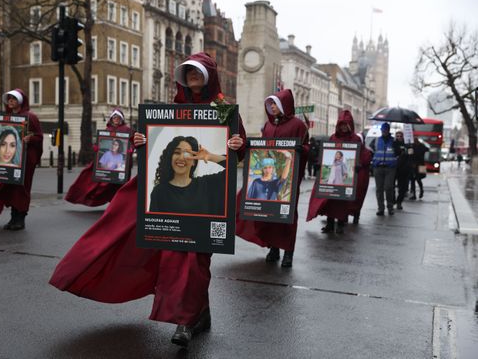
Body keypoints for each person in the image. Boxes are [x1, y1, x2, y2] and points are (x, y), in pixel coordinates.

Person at [49, 52, 246, 347]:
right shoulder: (172, 110)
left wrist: (237, 144)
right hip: (170, 200)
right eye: (188, 72)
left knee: (196, 259)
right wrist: (141, 141)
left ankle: (193, 315)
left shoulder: (223, 109)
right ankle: (188, 318)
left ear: (208, 75)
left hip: (206, 202)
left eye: (198, 72)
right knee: (179, 258)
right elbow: (154, 149)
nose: (193, 77)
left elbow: (237, 151)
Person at [236, 88, 308, 268]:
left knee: (287, 216)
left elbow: (307, 148)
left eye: (276, 103)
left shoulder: (298, 125)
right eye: (271, 104)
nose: (272, 107)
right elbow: (262, 148)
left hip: (286, 178)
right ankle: (274, 248)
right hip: (268, 176)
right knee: (268, 214)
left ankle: (288, 252)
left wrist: (301, 150)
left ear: (285, 105)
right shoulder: (267, 126)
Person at [0, 89, 43, 230]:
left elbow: (39, 137)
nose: (11, 101)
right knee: (11, 189)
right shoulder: (5, 117)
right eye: (9, 98)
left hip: (25, 160)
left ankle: (20, 219)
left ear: (20, 100)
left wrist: (30, 138)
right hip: (11, 162)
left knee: (22, 189)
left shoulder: (30, 117)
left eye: (14, 98)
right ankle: (13, 218)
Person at [307, 110, 372, 233]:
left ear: (349, 125)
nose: (343, 127)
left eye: (345, 124)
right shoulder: (333, 137)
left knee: (343, 202)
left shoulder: (355, 139)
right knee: (330, 200)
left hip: (345, 176)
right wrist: (320, 163)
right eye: (341, 124)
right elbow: (327, 154)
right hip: (333, 175)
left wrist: (359, 164)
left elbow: (363, 155)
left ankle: (341, 224)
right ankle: (330, 224)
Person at [65, 108, 133, 206]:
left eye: (118, 118)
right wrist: (96, 147)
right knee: (101, 183)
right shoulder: (107, 130)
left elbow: (133, 142)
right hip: (108, 162)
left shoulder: (127, 130)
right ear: (111, 119)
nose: (116, 120)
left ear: (121, 119)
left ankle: (119, 204)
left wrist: (131, 149)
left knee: (120, 186)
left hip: (123, 163)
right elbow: (100, 143)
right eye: (114, 118)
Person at [149, 135, 228, 215]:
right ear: (170, 157)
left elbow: (232, 168)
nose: (181, 157)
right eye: (177, 152)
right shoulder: (159, 191)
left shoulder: (206, 184)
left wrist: (210, 156)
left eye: (187, 154)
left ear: (194, 161)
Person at [370, 122, 402, 216]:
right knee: (379, 189)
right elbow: (371, 151)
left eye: (386, 130)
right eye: (383, 130)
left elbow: (399, 152)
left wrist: (399, 147)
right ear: (381, 131)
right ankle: (381, 208)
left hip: (390, 168)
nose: (384, 131)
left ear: (389, 130)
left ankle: (390, 207)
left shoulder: (394, 141)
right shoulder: (376, 141)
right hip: (378, 168)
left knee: (389, 188)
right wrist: (373, 161)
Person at [394, 131, 411, 210]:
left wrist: (409, 148)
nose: (399, 137)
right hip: (394, 168)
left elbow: (411, 154)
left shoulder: (407, 145)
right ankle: (393, 200)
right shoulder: (394, 144)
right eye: (397, 136)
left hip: (404, 169)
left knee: (402, 188)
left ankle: (399, 202)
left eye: (400, 136)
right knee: (391, 186)